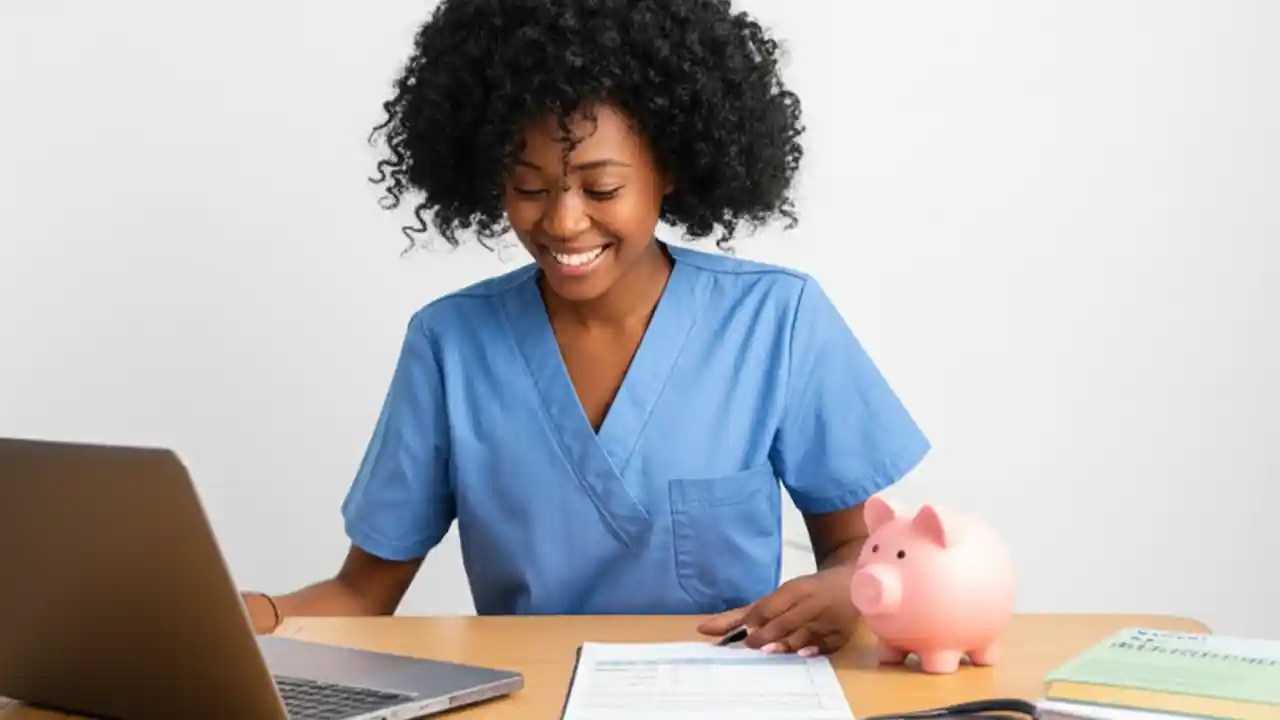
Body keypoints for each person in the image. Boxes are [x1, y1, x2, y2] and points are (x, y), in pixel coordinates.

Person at [240, 0, 930, 658]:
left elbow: (854, 546)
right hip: (531, 703)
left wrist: (846, 591)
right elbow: (363, 593)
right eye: (530, 188)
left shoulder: (775, 321)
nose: (564, 223)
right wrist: (258, 615)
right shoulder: (450, 344)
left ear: (671, 170)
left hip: (730, 696)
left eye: (601, 189)